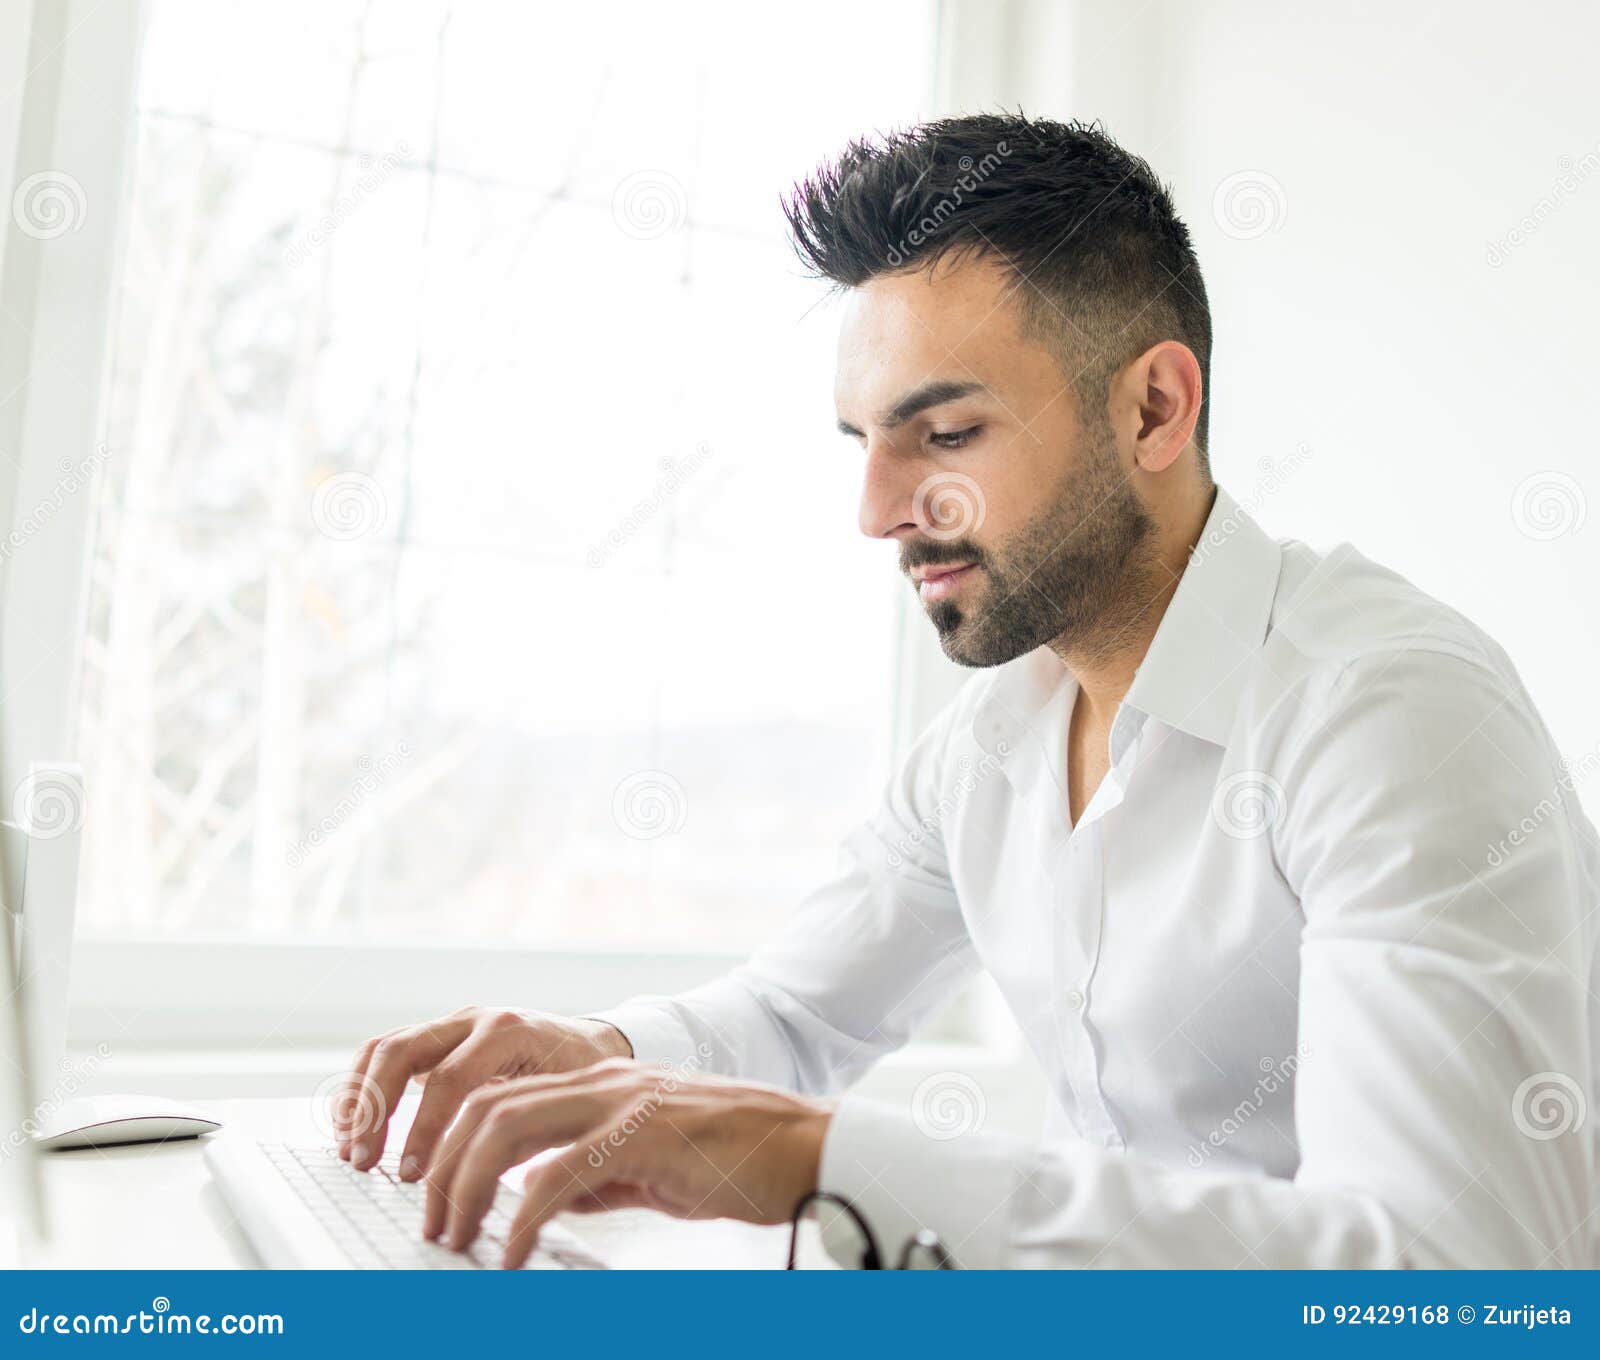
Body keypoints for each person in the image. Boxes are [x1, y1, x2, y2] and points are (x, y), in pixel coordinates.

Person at [333, 114, 1599, 1269]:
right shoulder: (992, 739)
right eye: (866, 445)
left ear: (1155, 407)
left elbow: (1464, 1286)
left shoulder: (1389, 716)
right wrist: (601, 1058)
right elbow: (788, 1012)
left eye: (944, 437)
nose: (882, 511)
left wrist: (830, 1168)